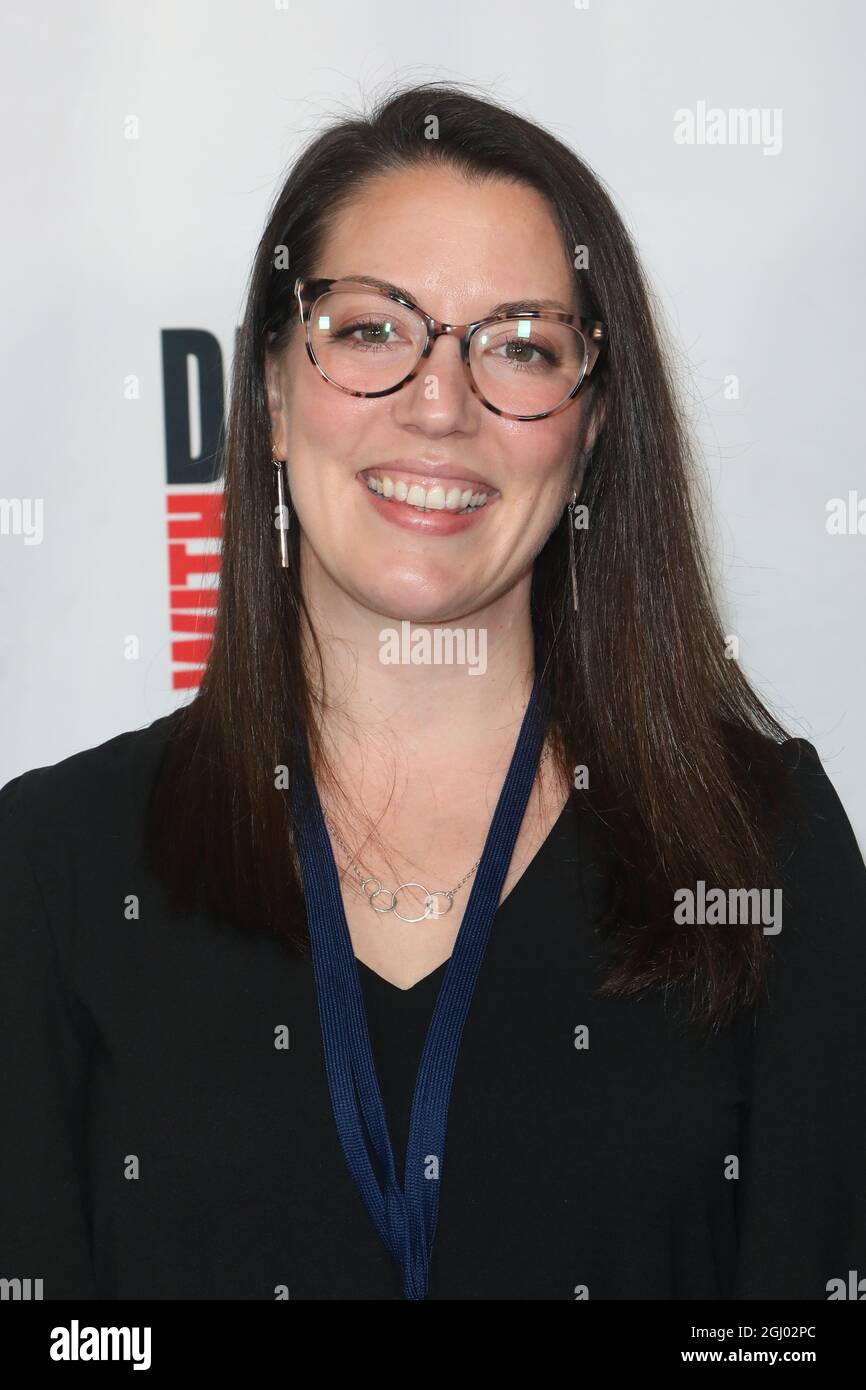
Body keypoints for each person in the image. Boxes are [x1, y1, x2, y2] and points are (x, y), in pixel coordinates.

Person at [2, 82, 865, 1302]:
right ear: (270, 393)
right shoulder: (55, 865)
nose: (439, 404)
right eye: (371, 331)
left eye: (519, 347)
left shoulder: (759, 844)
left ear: (591, 428)